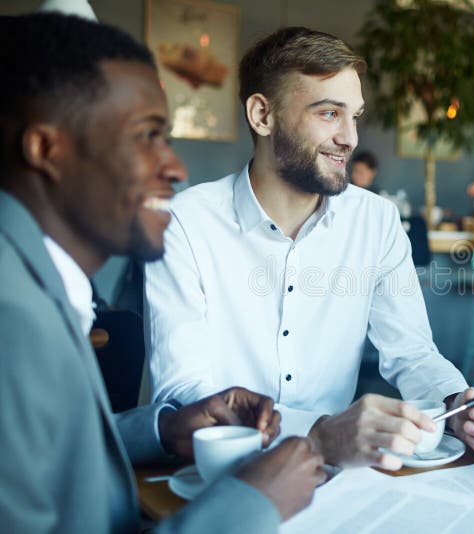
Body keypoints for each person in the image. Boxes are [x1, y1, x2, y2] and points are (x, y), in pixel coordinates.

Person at [0, 13, 325, 532]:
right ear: (45, 150)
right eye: (147, 136)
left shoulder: (34, 288)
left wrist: (165, 428)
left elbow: (41, 450)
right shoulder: (12, 320)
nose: (175, 168)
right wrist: (252, 502)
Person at [144, 26, 474, 470]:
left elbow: (412, 352)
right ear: (262, 115)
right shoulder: (185, 222)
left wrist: (456, 403)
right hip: (215, 474)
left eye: (354, 116)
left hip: (336, 476)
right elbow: (185, 393)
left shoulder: (377, 221)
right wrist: (317, 434)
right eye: (329, 113)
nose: (351, 138)